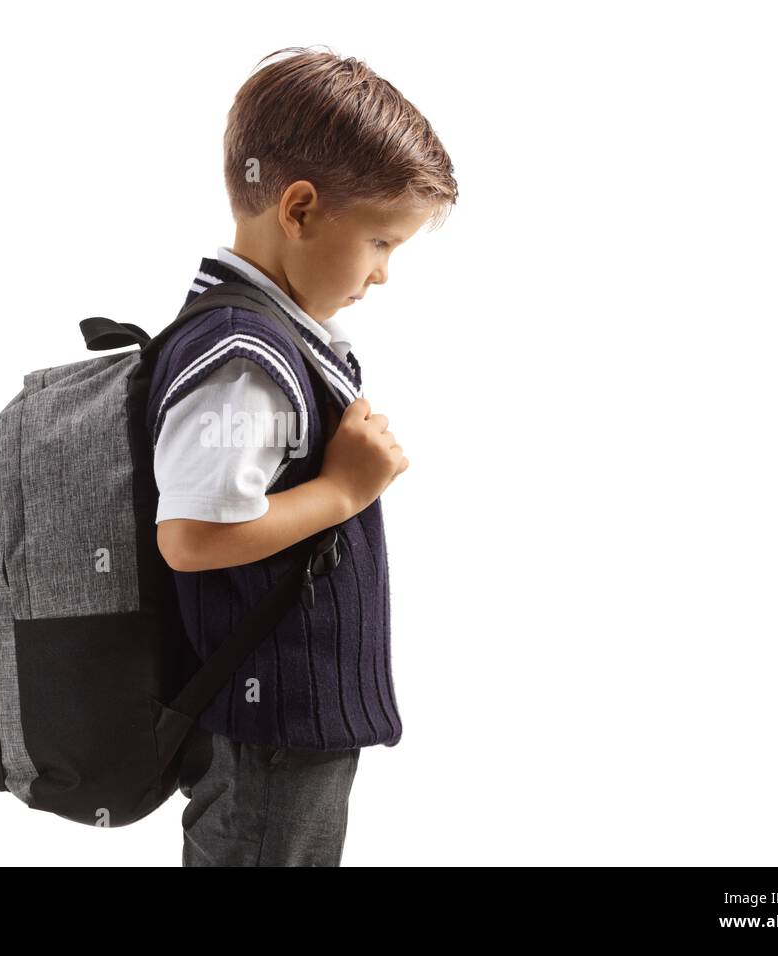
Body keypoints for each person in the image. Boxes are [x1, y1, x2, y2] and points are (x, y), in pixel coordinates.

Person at [146, 45, 458, 866]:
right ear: (300, 210)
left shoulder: (268, 338)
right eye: (381, 242)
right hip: (267, 730)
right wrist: (346, 490)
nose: (384, 273)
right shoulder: (242, 353)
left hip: (279, 725)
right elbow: (192, 535)